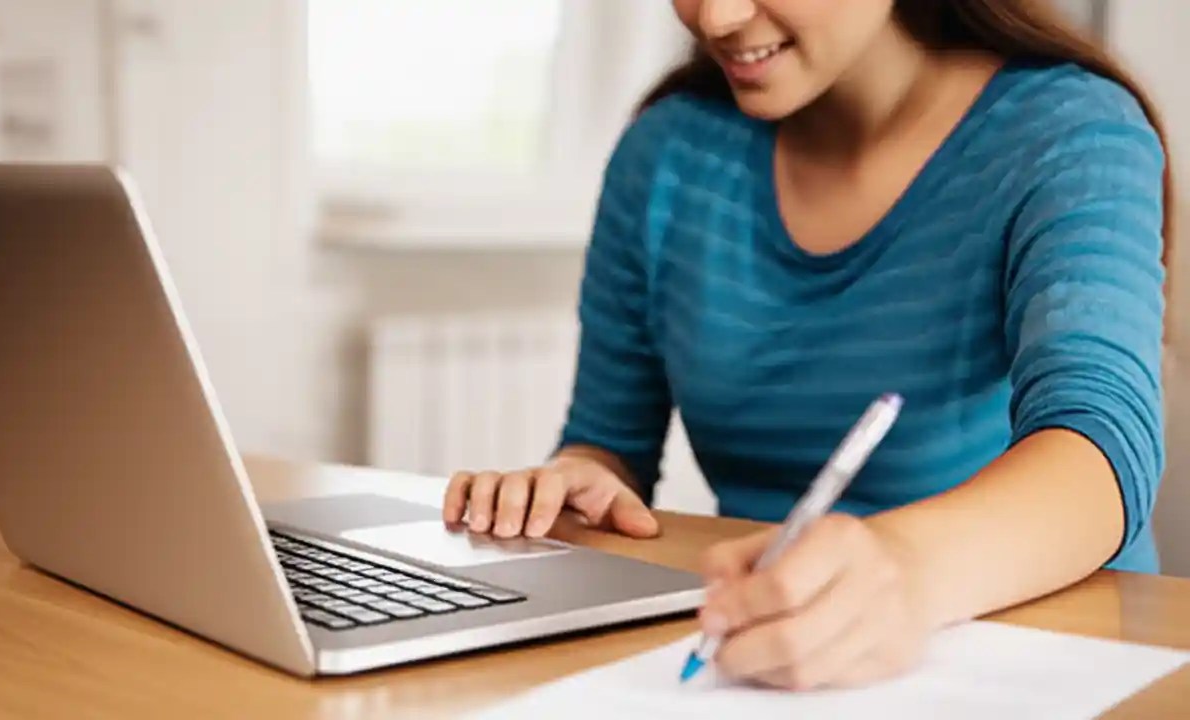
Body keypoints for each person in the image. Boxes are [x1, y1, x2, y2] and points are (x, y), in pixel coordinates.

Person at [443, 0, 1175, 690]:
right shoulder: (666, 154)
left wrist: (904, 572)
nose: (715, 17)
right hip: (778, 668)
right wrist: (574, 481)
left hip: (1049, 666)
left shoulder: (1070, 131)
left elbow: (1101, 450)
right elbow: (608, 443)